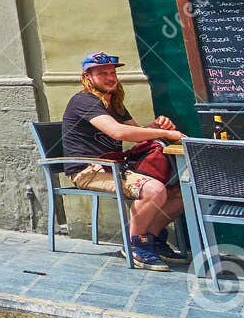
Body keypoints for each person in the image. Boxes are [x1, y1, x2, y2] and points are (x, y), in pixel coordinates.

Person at [61, 51, 185, 272]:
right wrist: (167, 136)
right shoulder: (84, 101)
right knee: (154, 190)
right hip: (88, 170)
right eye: (102, 73)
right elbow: (118, 132)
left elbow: (136, 132)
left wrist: (156, 128)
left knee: (180, 191)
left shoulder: (114, 102)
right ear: (88, 77)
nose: (110, 77)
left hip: (116, 167)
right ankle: (136, 245)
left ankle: (152, 238)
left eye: (112, 72)